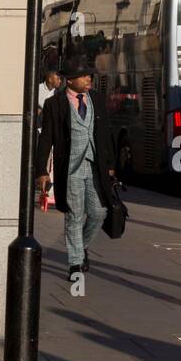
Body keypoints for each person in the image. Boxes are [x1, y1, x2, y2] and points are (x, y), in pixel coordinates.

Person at [35, 58, 116, 279]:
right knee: (74, 215)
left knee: (99, 212)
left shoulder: (97, 99)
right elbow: (46, 139)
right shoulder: (55, 104)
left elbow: (105, 134)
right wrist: (41, 170)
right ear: (70, 81)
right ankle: (75, 264)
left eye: (90, 75)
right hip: (70, 168)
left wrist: (110, 165)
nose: (89, 79)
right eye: (84, 76)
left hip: (94, 167)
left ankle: (80, 246)